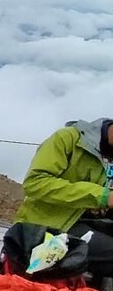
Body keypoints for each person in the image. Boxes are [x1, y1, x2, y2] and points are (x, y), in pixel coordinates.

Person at [16, 118, 113, 278]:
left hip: (89, 222)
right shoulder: (68, 140)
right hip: (47, 228)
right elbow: (34, 183)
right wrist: (102, 196)